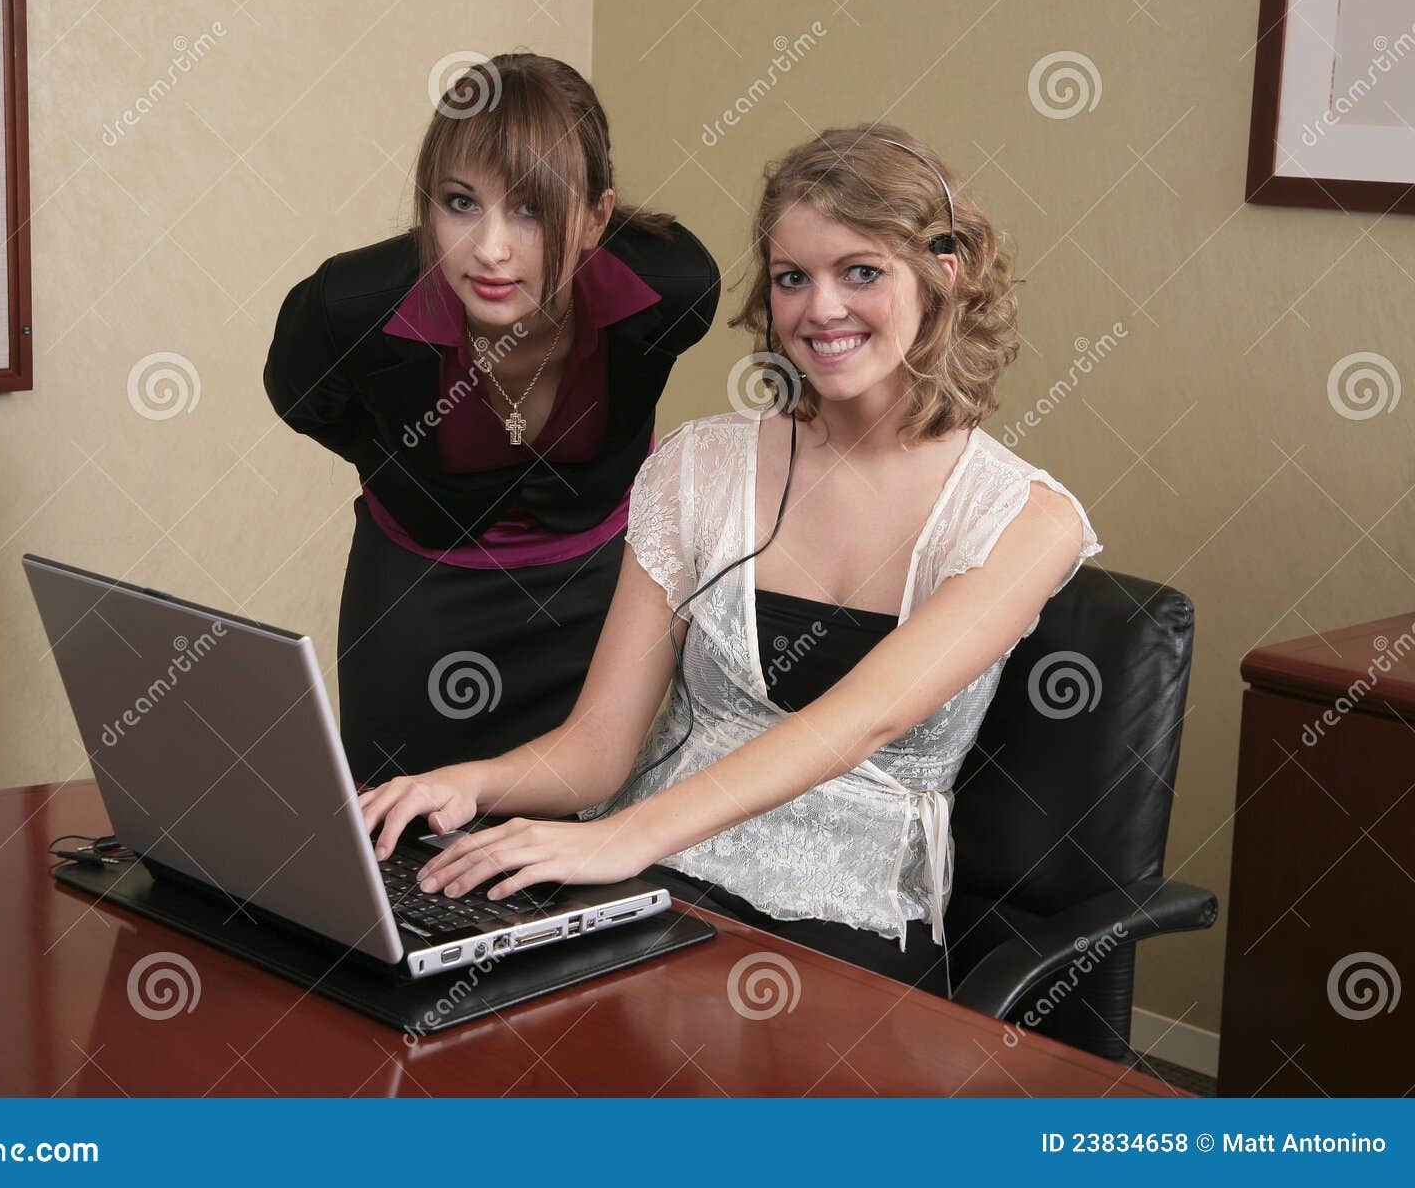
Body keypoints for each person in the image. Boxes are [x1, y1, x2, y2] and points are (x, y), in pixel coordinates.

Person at [355, 123, 1103, 997]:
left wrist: (625, 838)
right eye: (792, 278)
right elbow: (598, 748)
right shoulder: (697, 466)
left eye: (860, 270)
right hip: (651, 883)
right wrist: (468, 783)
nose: (820, 309)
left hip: (845, 920)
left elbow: (855, 721)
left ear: (941, 274)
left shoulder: (1021, 519)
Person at [264, 53, 720, 788]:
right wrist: (394, 457)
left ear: (599, 215)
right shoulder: (349, 307)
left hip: (596, 594)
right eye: (461, 202)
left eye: (533, 207)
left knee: (582, 838)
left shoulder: (669, 286)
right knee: (398, 837)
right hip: (419, 599)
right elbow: (301, 398)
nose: (491, 249)